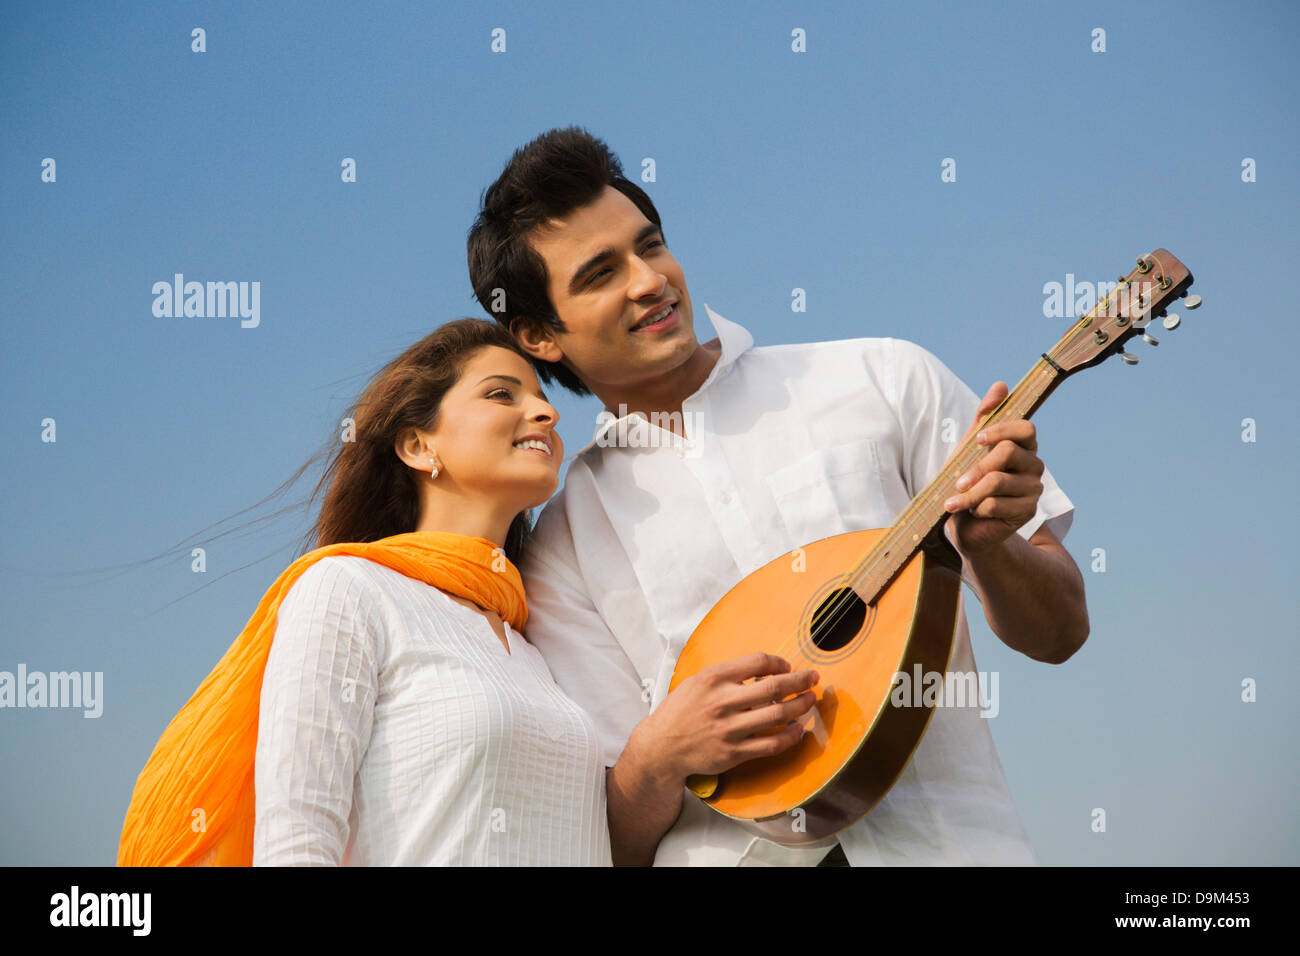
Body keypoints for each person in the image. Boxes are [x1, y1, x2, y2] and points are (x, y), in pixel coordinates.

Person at [466, 127, 1090, 866]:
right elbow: (603, 840)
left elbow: (1060, 634)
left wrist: (990, 550)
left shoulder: (883, 379)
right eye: (601, 273)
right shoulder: (566, 539)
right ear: (539, 334)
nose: (649, 280)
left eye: (652, 245)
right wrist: (656, 757)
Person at [119, 318, 815, 866]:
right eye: (501, 394)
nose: (543, 413)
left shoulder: (535, 641)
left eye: (543, 399)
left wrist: (663, 761)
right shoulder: (350, 591)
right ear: (420, 447)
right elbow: (297, 841)